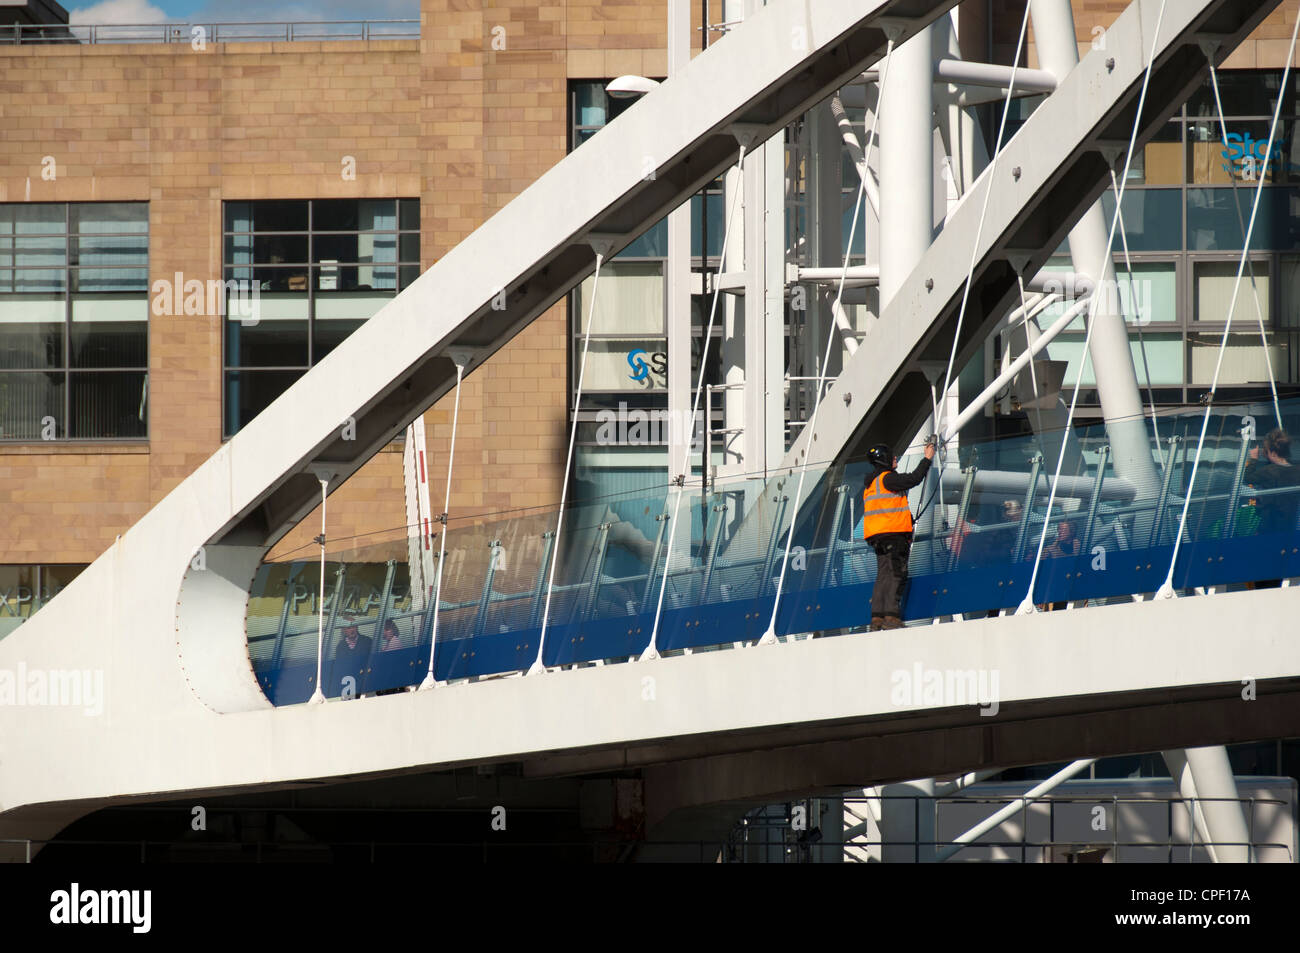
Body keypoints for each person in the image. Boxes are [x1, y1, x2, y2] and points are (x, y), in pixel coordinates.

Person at [862, 439, 935, 631]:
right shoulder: (887, 479)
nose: (895, 458)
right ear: (884, 460)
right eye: (892, 456)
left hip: (878, 536)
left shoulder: (871, 483)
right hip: (893, 534)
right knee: (896, 573)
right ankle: (892, 617)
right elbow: (914, 478)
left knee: (883, 575)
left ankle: (877, 618)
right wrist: (927, 459)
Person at [1243, 428, 1300, 588]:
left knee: (1266, 576)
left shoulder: (1269, 471)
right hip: (1292, 529)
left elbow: (1247, 478)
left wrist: (1253, 459)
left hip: (1270, 529)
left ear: (1272, 452)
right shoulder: (1297, 471)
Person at [330, 618, 373, 698]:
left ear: (357, 628)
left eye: (354, 627)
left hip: (365, 682)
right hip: (348, 684)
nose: (352, 630)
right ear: (344, 630)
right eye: (349, 628)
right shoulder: (340, 647)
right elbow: (339, 667)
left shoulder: (367, 641)